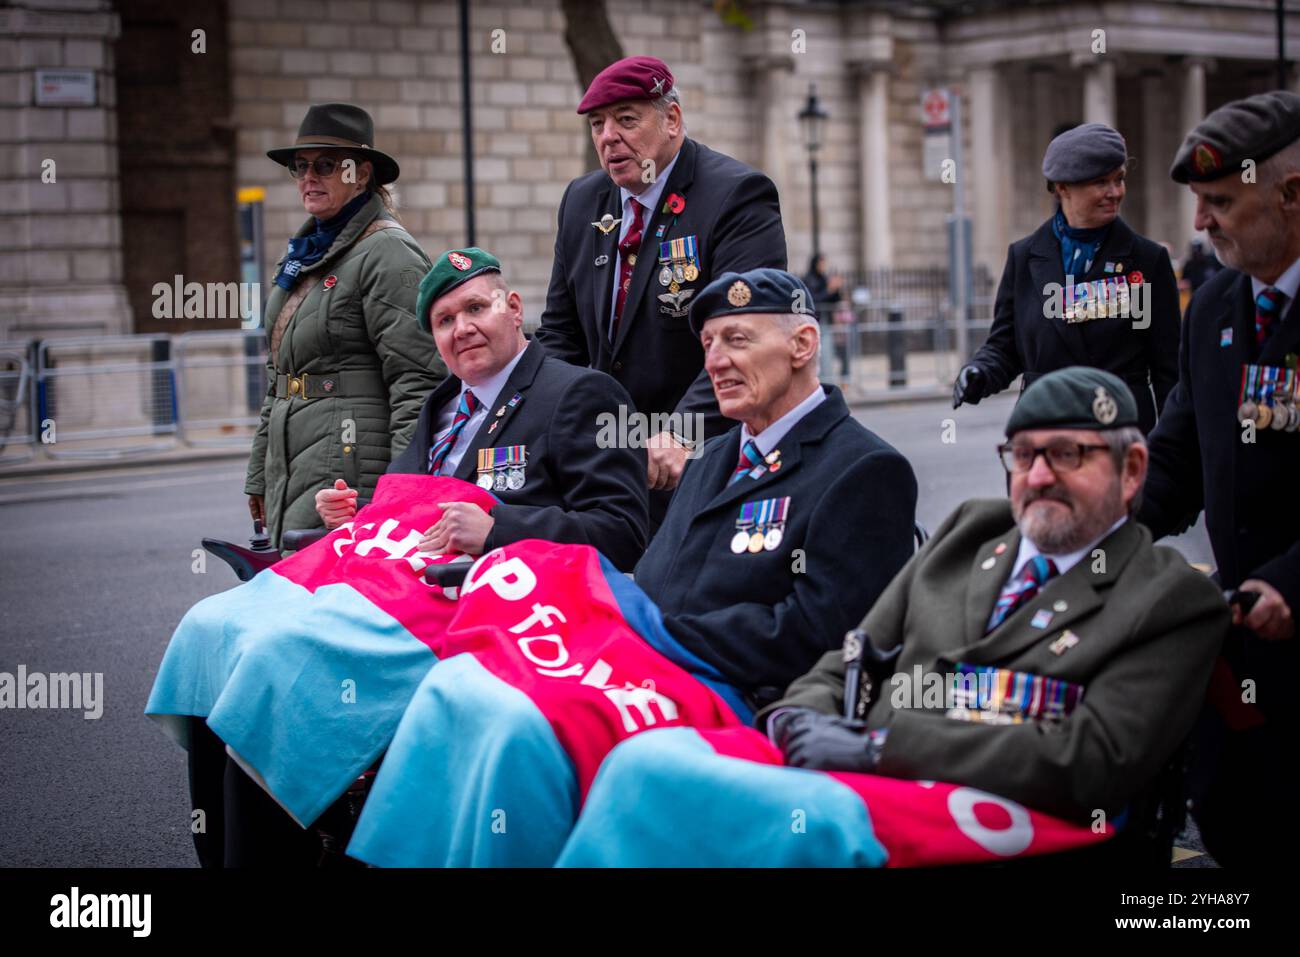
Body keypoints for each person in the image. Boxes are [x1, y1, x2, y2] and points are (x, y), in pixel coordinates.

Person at [345, 267, 918, 867]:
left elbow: (824, 638)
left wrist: (658, 634)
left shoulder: (862, 469)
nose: (716, 362)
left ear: (802, 345)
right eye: (708, 345)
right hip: (639, 662)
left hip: (731, 692)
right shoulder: (716, 455)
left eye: (738, 340)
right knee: (461, 689)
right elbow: (650, 578)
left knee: (523, 722)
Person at [557, 368, 1229, 866]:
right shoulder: (974, 531)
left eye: (1069, 455)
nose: (1040, 476)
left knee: (727, 814)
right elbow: (853, 650)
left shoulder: (1167, 598)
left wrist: (881, 748)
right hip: (866, 782)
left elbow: (1091, 761)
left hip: (997, 820)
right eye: (1024, 456)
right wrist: (800, 712)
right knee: (646, 762)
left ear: (1132, 470)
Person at [1141, 90, 1300, 867]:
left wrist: (1293, 583)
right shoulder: (1212, 308)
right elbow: (1176, 461)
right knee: (1238, 836)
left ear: (1293, 193)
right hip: (1244, 661)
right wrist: (1097, 527)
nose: (1199, 223)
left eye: (1219, 202)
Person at [534, 55, 787, 524]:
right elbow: (561, 335)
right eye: (597, 124)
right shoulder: (581, 201)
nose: (608, 136)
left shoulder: (735, 195)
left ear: (672, 119)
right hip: (605, 462)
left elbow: (745, 334)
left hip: (705, 455)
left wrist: (681, 434)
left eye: (626, 119)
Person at [314, 247, 648, 572]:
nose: (462, 329)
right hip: (413, 597)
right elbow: (422, 512)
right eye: (445, 321)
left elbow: (622, 532)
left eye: (475, 308)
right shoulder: (438, 407)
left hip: (516, 608)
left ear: (514, 309)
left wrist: (496, 530)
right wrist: (359, 513)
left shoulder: (585, 393)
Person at [245, 103, 445, 547]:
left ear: (362, 172)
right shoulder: (303, 252)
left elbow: (419, 381)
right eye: (300, 166)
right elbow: (279, 374)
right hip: (293, 457)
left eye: (326, 165)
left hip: (350, 467)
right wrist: (259, 470)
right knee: (291, 582)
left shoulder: (388, 251)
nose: (308, 177)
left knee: (324, 592)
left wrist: (401, 493)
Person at [953, 123, 1181, 434]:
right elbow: (1006, 345)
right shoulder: (1024, 256)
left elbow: (1170, 372)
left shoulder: (1146, 261)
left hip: (1117, 435)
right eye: (1101, 182)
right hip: (1044, 431)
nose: (1115, 193)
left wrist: (1169, 453)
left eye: (1119, 179)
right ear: (1062, 187)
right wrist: (980, 371)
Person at [803, 253, 849, 378]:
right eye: (821, 263)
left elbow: (833, 299)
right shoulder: (809, 279)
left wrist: (836, 288)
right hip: (815, 322)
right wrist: (829, 290)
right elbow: (814, 299)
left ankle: (828, 378)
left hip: (827, 322)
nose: (823, 266)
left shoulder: (824, 279)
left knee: (828, 353)